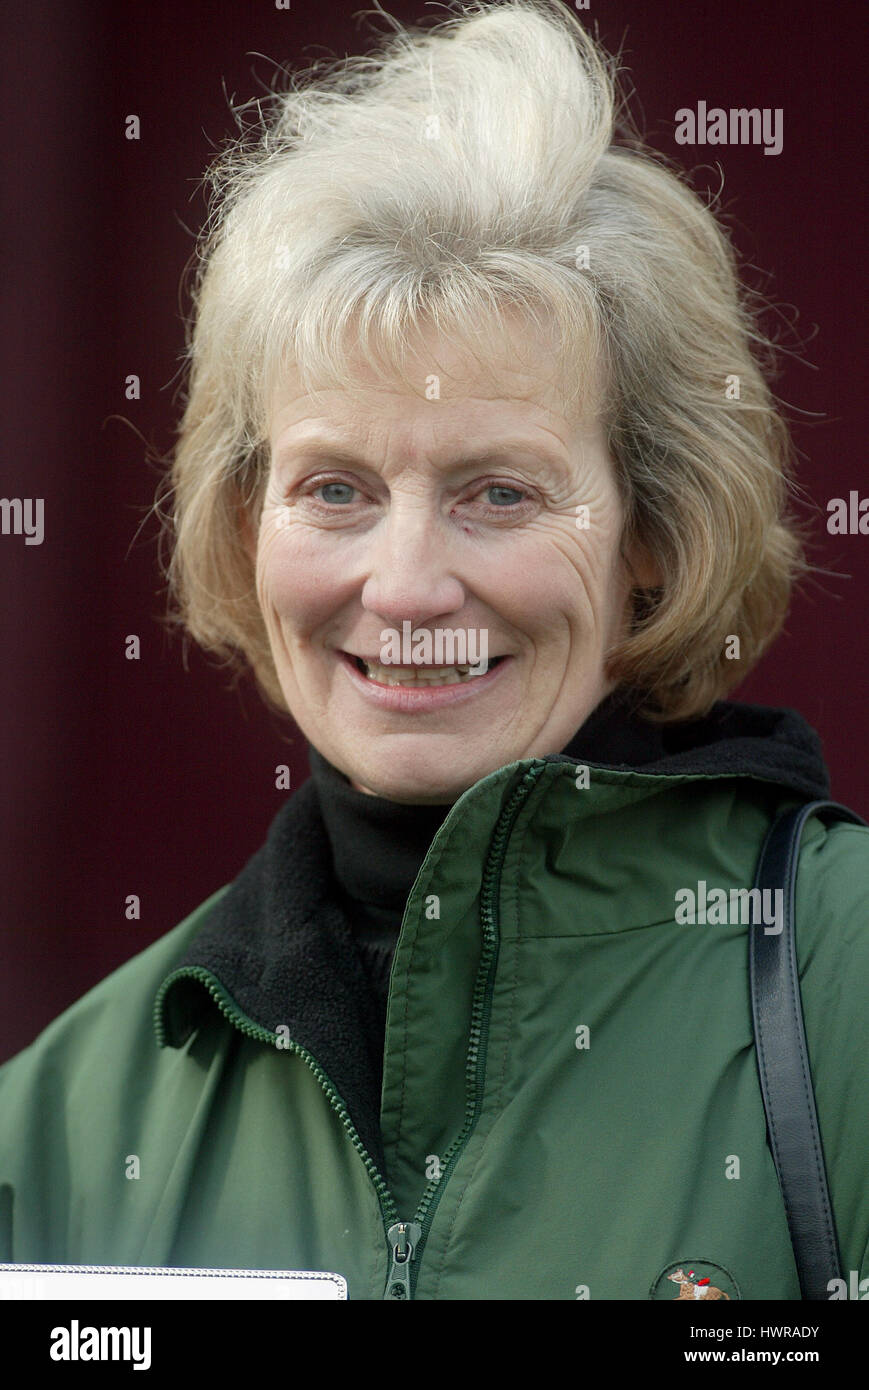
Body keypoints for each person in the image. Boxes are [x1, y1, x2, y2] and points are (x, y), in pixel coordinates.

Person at [1, 0, 867, 1302]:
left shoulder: (841, 981)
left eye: (498, 493)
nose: (403, 584)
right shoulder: (58, 1119)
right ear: (247, 526)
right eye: (335, 488)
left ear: (651, 530)